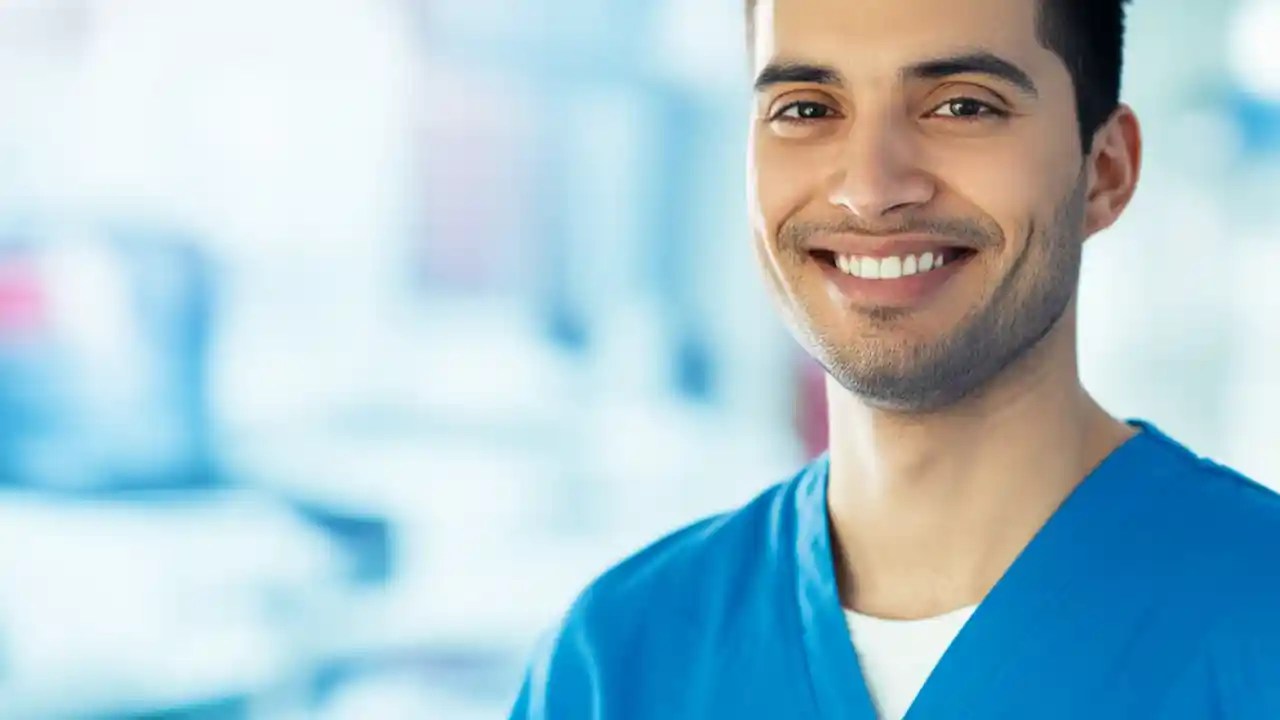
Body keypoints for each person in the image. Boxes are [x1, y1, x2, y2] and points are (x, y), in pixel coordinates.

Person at [510, 0, 1280, 717]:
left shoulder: (1257, 622)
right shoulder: (616, 662)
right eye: (806, 109)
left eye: (963, 105)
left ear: (1105, 172)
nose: (870, 189)